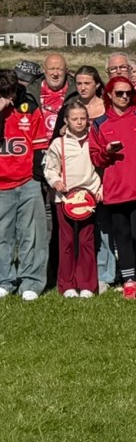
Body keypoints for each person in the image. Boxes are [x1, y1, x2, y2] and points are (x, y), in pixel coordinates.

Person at [90, 72, 136, 299]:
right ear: (109, 94)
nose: (124, 97)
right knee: (123, 238)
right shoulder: (100, 123)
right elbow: (95, 157)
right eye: (119, 93)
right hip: (116, 191)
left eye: (129, 93)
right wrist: (106, 153)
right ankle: (129, 281)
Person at [0, 70, 53, 301]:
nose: (9, 98)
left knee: (31, 234)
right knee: (2, 235)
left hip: (27, 181)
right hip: (1, 185)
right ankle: (4, 280)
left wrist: (37, 177)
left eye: (12, 93)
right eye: (4, 94)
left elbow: (40, 146)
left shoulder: (29, 107)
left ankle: (31, 281)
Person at [43, 98, 101, 298]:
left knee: (87, 241)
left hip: (89, 198)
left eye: (83, 118)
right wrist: (55, 181)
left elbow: (102, 167)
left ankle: (87, 284)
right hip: (65, 198)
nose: (79, 122)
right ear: (66, 120)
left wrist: (100, 189)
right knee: (66, 241)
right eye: (75, 118)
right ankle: (67, 285)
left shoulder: (95, 139)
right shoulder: (59, 144)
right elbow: (49, 168)